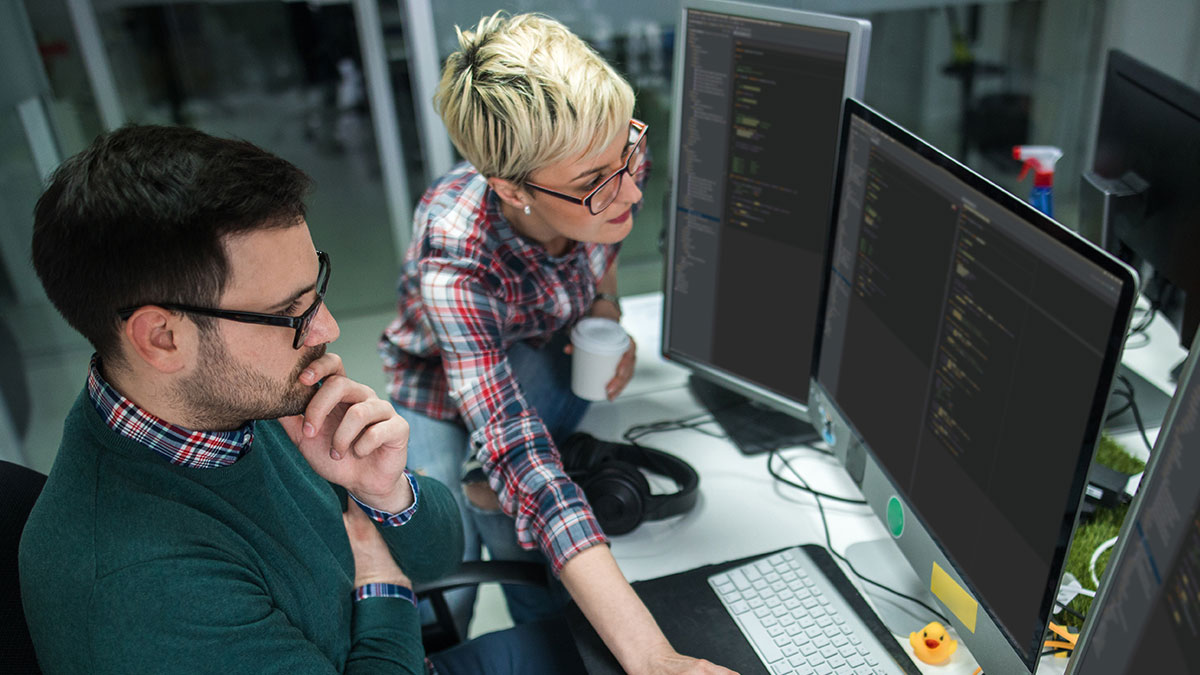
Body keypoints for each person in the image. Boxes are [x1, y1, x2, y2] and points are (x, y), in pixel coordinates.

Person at [19, 124, 583, 674]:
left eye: (317, 293)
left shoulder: (229, 401)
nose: (327, 328)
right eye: (290, 313)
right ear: (163, 338)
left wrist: (386, 492)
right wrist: (385, 590)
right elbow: (399, 578)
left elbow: (435, 556)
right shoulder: (142, 588)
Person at [379, 12, 734, 674]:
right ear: (512, 189)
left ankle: (544, 628)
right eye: (594, 183)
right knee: (433, 552)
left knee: (508, 512)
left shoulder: (610, 153)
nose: (630, 188)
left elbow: (609, 237)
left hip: (540, 349)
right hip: (436, 382)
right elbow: (519, 452)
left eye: (629, 154)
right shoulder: (455, 252)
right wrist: (653, 657)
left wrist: (604, 304)